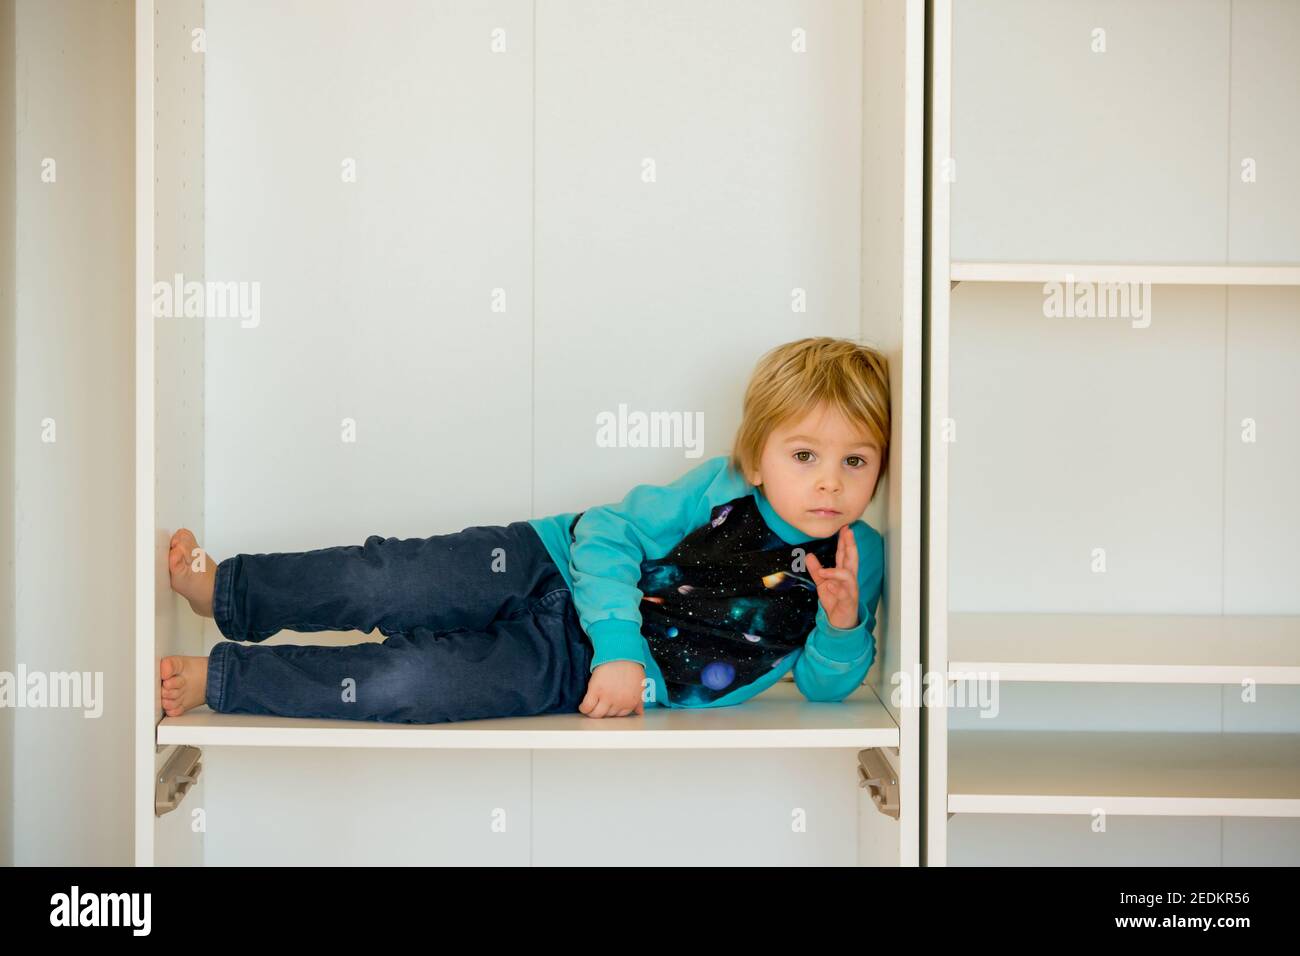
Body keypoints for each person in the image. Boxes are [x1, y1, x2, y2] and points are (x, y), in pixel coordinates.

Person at [159, 336, 890, 723]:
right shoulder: (720, 489)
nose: (830, 482)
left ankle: (223, 680)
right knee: (386, 580)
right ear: (758, 458)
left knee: (412, 684)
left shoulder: (858, 559)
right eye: (805, 456)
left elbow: (824, 688)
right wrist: (620, 649)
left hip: (570, 668)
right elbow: (607, 533)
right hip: (548, 564)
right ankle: (226, 592)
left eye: (854, 461)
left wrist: (841, 625)